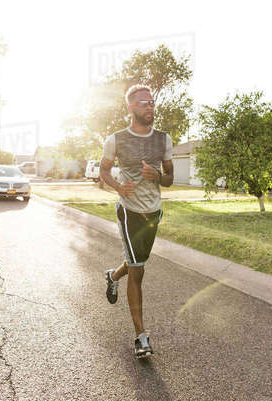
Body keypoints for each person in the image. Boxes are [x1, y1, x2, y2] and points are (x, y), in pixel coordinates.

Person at [100, 84, 174, 358]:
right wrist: (119, 187)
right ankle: (141, 337)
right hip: (129, 212)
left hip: (153, 212)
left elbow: (169, 178)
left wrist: (158, 177)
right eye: (144, 103)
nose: (150, 107)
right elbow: (104, 171)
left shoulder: (164, 140)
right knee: (138, 270)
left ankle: (113, 275)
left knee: (137, 263)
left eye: (152, 103)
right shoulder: (116, 139)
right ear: (131, 108)